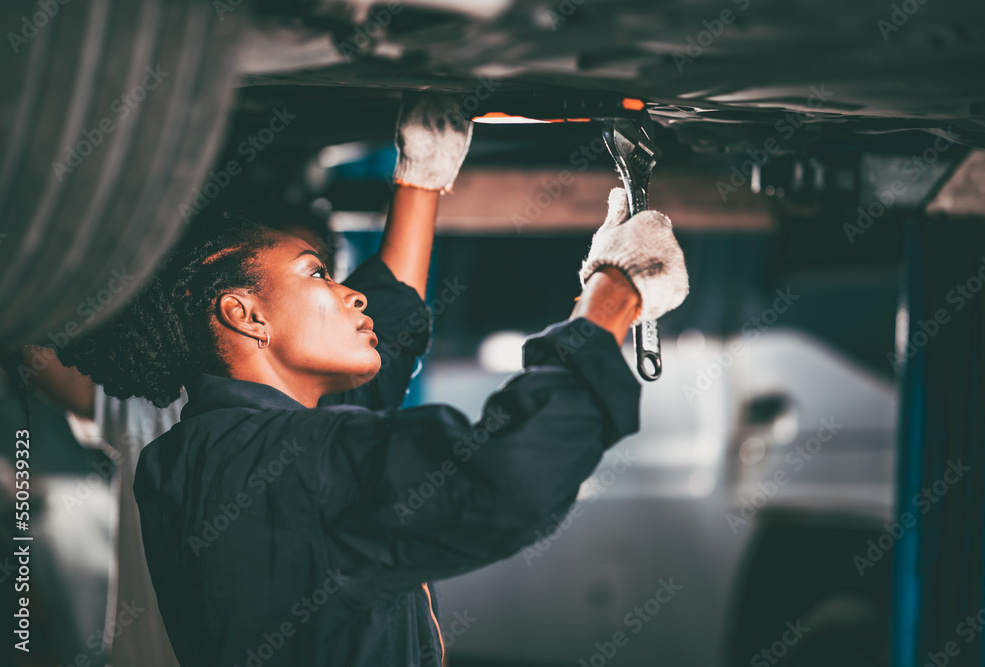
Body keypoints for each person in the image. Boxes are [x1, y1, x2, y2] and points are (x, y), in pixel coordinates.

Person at [58, 92, 689, 667]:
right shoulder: (266, 465)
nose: (351, 296)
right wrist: (614, 291)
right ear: (243, 314)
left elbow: (385, 326)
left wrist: (421, 178)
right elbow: (509, 474)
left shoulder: (225, 449)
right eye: (319, 275)